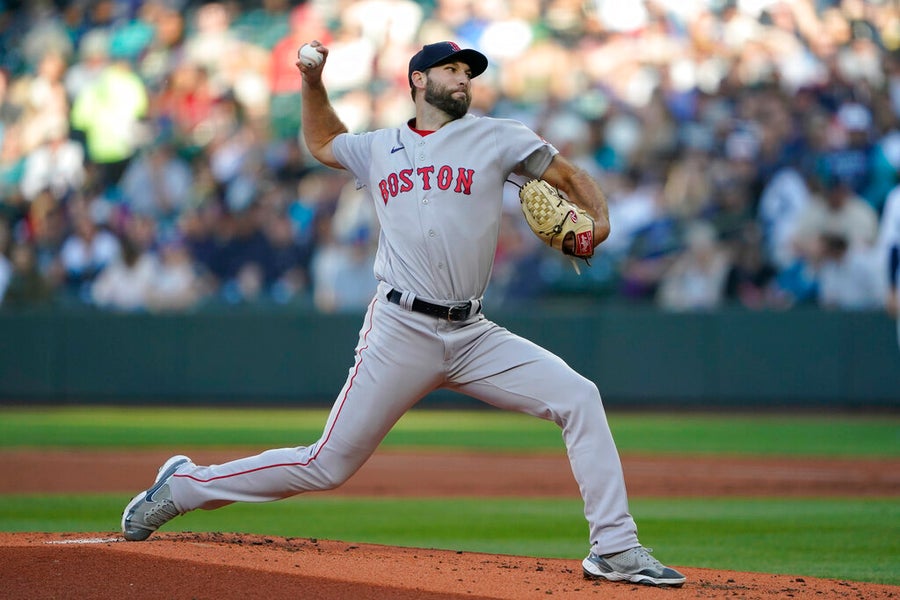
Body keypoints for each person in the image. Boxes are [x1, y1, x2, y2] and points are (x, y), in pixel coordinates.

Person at [121, 40, 686, 588]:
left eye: (469, 71)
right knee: (326, 464)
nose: (464, 77)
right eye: (451, 69)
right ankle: (186, 486)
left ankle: (614, 547)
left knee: (579, 396)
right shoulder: (379, 146)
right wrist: (312, 83)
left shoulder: (498, 138)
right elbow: (323, 142)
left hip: (473, 333)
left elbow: (567, 175)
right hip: (400, 329)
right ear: (419, 80)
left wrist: (601, 221)